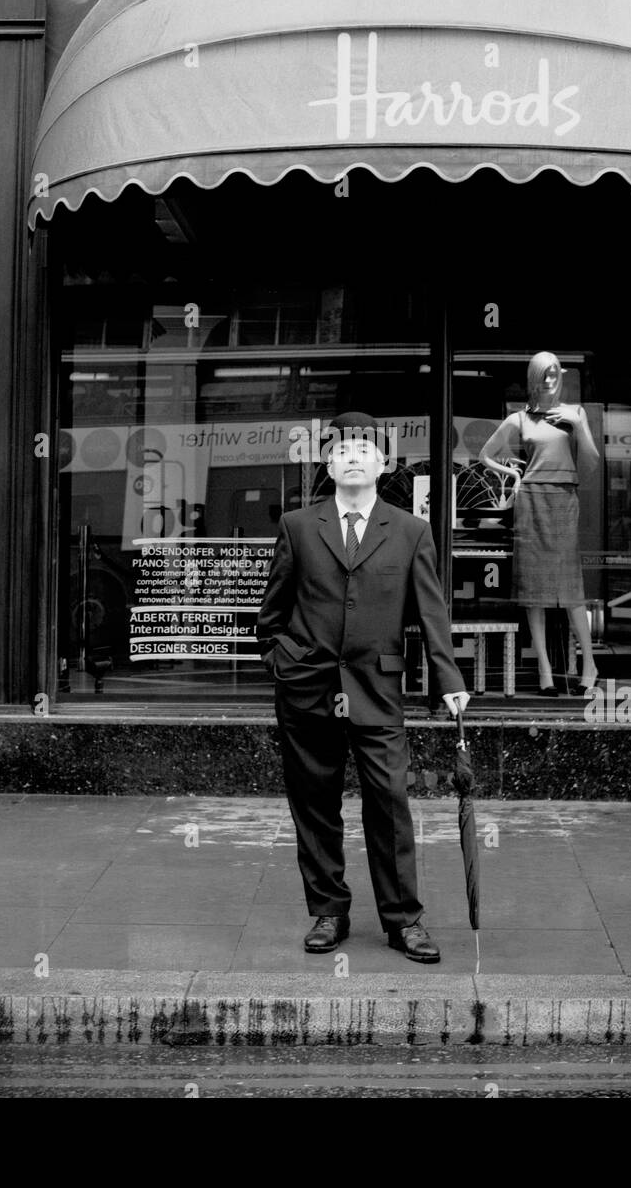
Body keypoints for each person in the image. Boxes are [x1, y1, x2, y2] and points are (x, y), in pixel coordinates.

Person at [257, 411, 470, 963]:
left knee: (389, 800)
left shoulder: (409, 530)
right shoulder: (299, 526)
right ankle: (329, 911)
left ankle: (404, 919)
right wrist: (282, 661)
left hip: (377, 688)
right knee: (315, 803)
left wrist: (447, 679)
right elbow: (272, 613)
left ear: (383, 464)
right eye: (342, 450)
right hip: (307, 688)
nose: (352, 456)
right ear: (328, 465)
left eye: (363, 451)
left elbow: (431, 611)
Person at [479, 352, 600, 694]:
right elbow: (485, 455)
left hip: (564, 498)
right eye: (542, 376)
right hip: (532, 499)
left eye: (553, 374)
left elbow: (590, 463)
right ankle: (546, 671)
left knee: (571, 589)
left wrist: (577, 427)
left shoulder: (575, 414)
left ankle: (589, 663)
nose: (549, 381)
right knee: (534, 592)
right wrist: (513, 473)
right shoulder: (519, 419)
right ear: (533, 379)